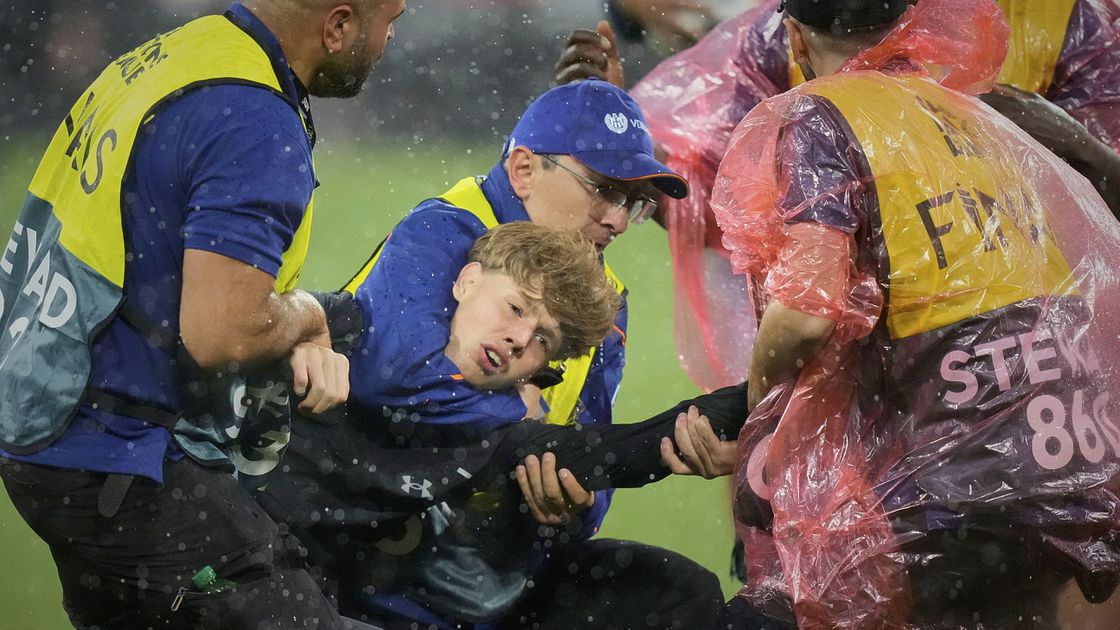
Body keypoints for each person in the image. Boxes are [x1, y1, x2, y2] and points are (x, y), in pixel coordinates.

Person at [261, 79, 735, 629]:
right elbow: (394, 379)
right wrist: (524, 422)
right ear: (524, 170)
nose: (619, 220)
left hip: (490, 568)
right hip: (362, 552)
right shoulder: (445, 228)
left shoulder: (606, 307)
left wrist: (574, 501)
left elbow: (588, 477)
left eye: (634, 202)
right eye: (603, 189)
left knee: (682, 595)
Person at [709, 0, 1120, 627]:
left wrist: (762, 407)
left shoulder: (825, 117)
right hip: (1063, 446)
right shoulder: (976, 111)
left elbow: (806, 313)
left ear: (793, 37)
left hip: (948, 465)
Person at [0, 1, 406, 627]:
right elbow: (223, 332)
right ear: (339, 25)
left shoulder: (174, 55)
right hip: (120, 456)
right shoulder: (253, 118)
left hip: (42, 424)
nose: (390, 39)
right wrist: (303, 317)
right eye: (392, 19)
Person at [557, 0, 1120, 393]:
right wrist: (617, 131)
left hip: (1037, 362)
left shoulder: (1075, 26)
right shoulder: (790, 34)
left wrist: (759, 404)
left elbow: (1099, 210)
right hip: (895, 388)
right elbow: (717, 212)